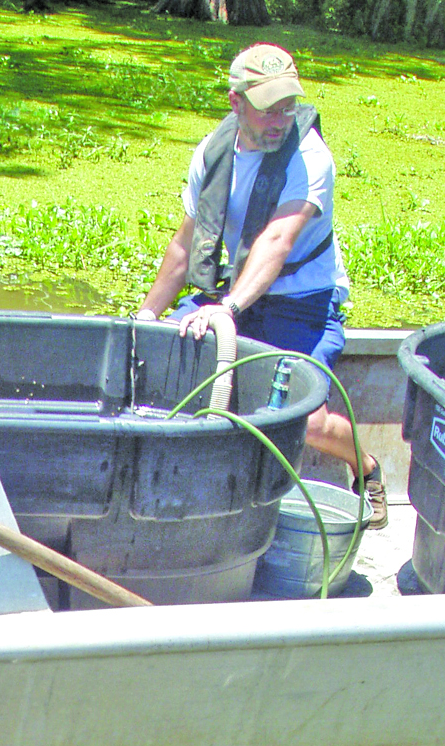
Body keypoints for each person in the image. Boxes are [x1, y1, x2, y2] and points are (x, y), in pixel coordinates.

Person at [134, 43, 388, 529]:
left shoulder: (311, 158)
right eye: (268, 108)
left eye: (288, 106)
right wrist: (145, 318)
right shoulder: (211, 153)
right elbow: (185, 246)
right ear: (236, 102)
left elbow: (277, 240)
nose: (280, 119)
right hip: (238, 292)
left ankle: (366, 465)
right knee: (166, 370)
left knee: (306, 419)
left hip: (303, 300)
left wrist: (227, 306)